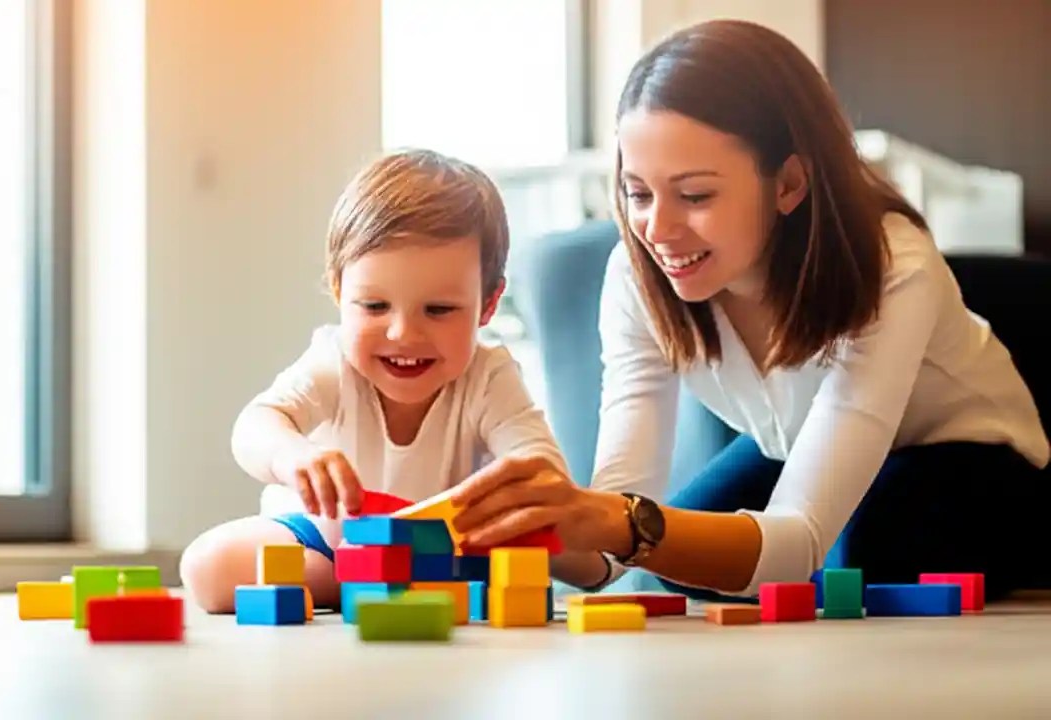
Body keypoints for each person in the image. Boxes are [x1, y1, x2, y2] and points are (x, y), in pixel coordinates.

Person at [448, 19, 1050, 602]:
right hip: (796, 444)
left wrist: (619, 522)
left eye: (695, 195)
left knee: (859, 551)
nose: (658, 229)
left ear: (789, 184)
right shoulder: (636, 276)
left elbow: (798, 538)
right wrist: (542, 526)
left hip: (970, 454)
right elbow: (619, 516)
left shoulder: (892, 267)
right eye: (637, 193)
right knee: (679, 555)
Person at [179, 148, 568, 612]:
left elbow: (542, 468)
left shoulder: (489, 376)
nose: (403, 333)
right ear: (340, 291)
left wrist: (516, 492)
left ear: (488, 304)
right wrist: (292, 454)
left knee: (524, 553)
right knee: (209, 566)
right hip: (320, 540)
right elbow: (256, 424)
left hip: (437, 552)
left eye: (439, 310)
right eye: (375, 307)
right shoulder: (333, 360)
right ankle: (361, 583)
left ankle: (404, 583)